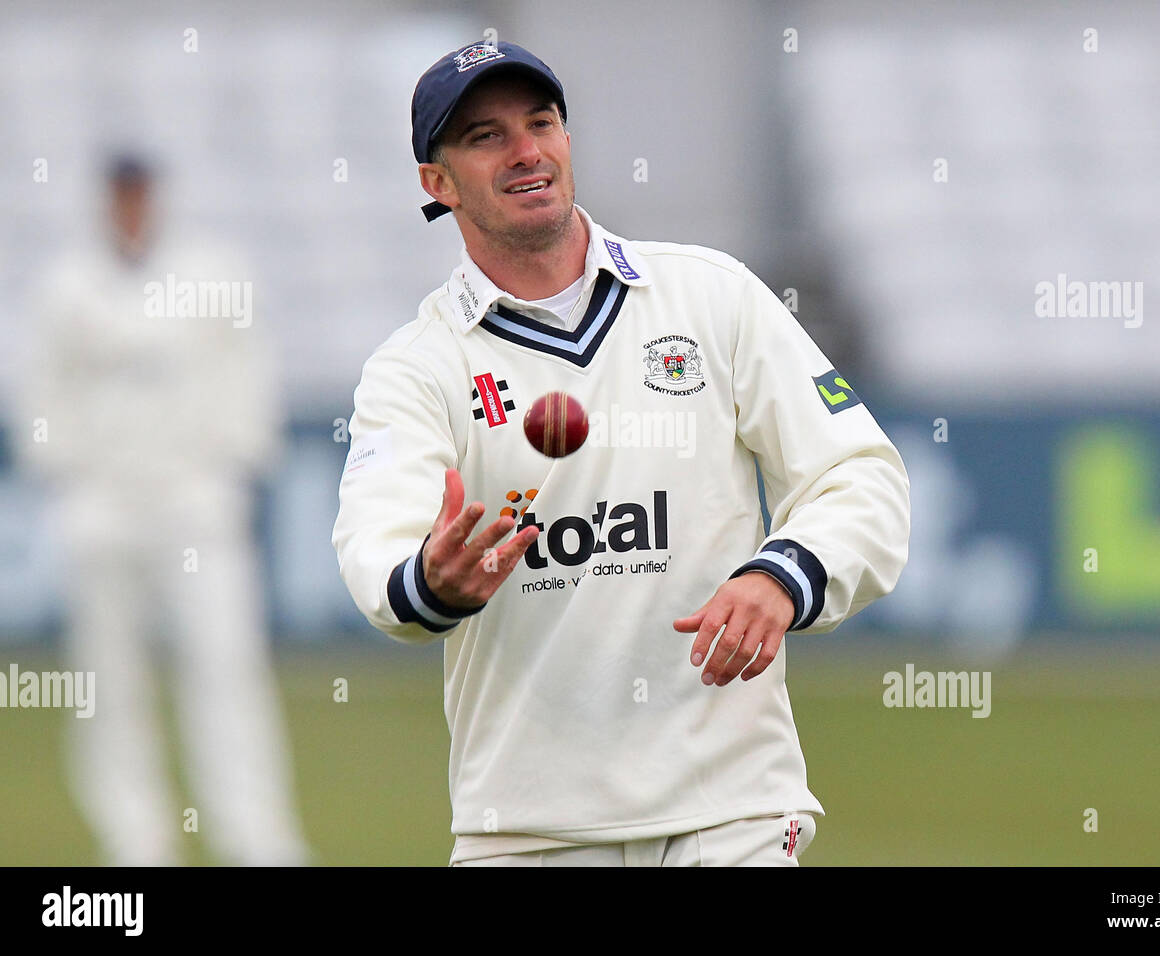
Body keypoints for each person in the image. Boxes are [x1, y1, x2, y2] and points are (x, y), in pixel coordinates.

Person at [331, 41, 911, 866]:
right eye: (486, 136)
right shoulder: (417, 366)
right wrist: (428, 580)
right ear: (438, 181)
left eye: (541, 123)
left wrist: (781, 574)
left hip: (732, 808)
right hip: (529, 828)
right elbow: (376, 551)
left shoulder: (710, 295)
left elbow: (860, 475)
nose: (527, 150)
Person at [17, 154, 309, 866]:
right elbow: (40, 392)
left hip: (194, 501)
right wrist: (68, 479)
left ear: (157, 197)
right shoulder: (66, 285)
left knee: (226, 670)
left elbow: (252, 367)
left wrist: (232, 464)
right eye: (120, 195)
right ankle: (136, 841)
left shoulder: (212, 271)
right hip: (104, 507)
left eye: (140, 194)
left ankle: (255, 837)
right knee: (109, 684)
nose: (131, 206)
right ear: (105, 200)